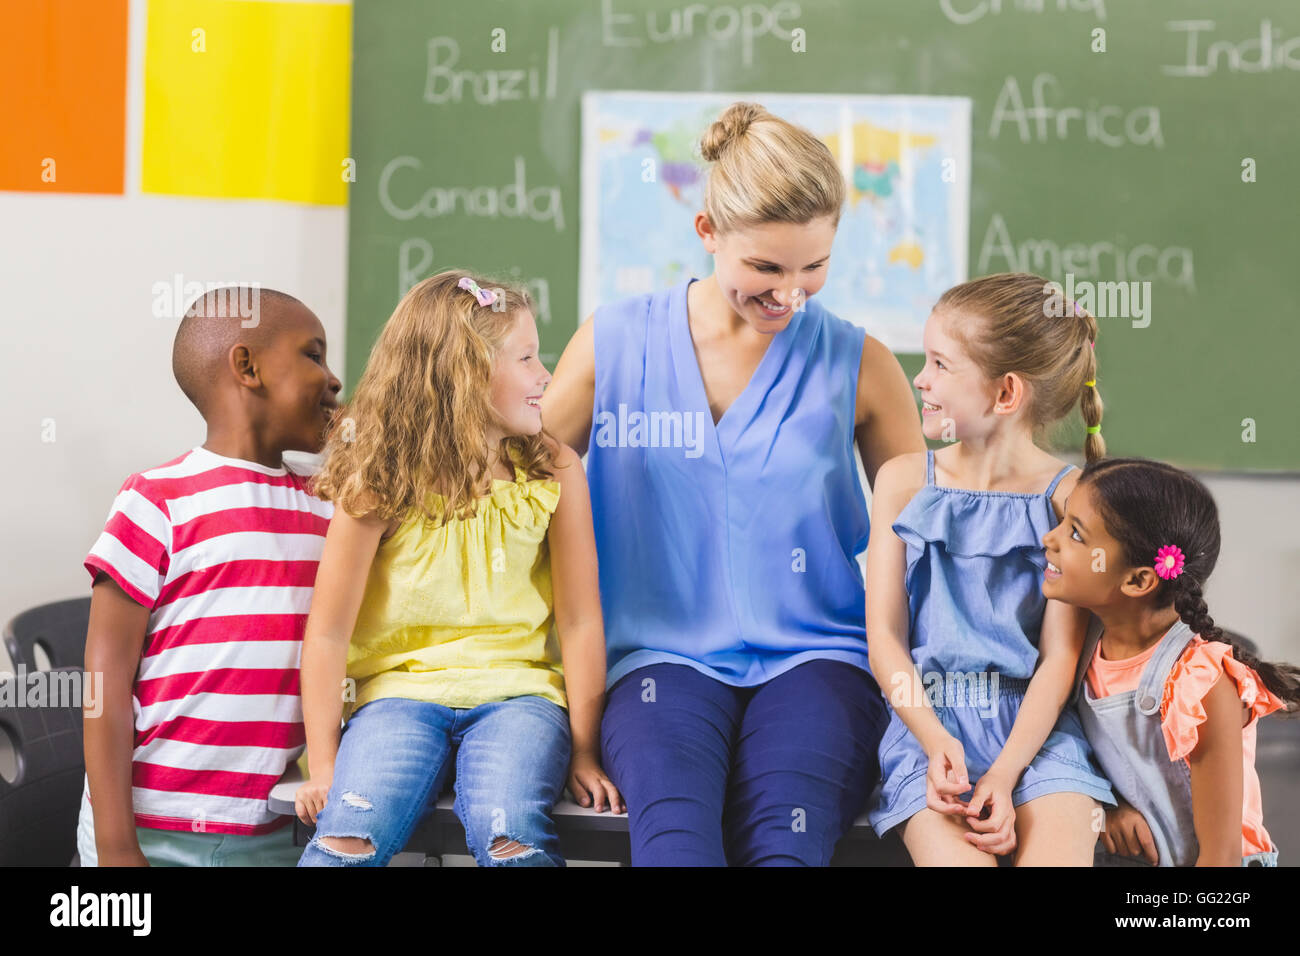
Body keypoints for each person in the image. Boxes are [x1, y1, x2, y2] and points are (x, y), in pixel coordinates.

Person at [543, 101, 925, 865]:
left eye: (814, 266)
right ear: (708, 234)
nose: (791, 293)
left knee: (785, 847)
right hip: (657, 662)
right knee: (677, 847)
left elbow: (925, 537)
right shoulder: (612, 343)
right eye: (766, 268)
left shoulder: (863, 364)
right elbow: (515, 490)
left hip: (820, 660)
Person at [295, 271, 619, 867]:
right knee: (348, 834)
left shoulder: (556, 471)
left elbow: (579, 621)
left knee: (510, 831)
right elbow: (328, 631)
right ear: (466, 375)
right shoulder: (380, 478)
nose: (545, 376)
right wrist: (323, 764)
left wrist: (584, 752)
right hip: (397, 698)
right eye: (526, 358)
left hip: (521, 698)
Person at [79, 287, 340, 866]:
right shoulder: (157, 499)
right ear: (247, 367)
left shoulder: (328, 510)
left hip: (270, 828)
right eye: (314, 356)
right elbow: (103, 682)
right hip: (149, 825)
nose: (335, 379)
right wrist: (117, 844)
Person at [866, 272, 1115, 865]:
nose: (919, 380)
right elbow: (885, 641)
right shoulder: (901, 482)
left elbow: (1058, 659)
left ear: (1006, 394)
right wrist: (935, 742)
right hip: (926, 727)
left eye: (940, 365)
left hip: (1036, 735)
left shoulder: (1069, 498)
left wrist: (1004, 775)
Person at [1043, 457, 1299, 866]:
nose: (1048, 539)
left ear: (1139, 580)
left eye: (1075, 534)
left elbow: (1222, 855)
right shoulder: (1080, 646)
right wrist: (1107, 809)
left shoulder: (1201, 684)